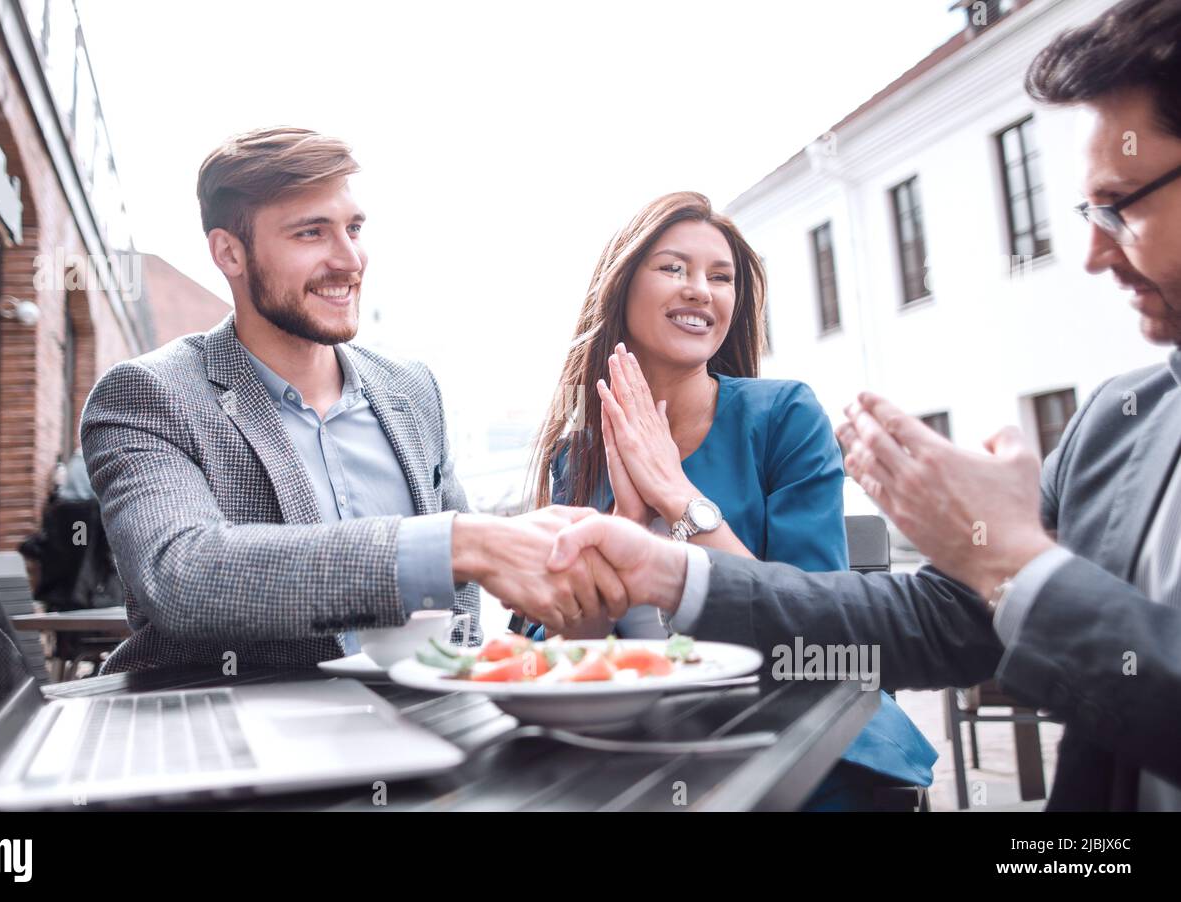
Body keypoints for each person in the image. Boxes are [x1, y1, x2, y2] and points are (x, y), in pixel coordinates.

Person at [540, 0, 1181, 811]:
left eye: (1121, 205)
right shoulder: (1112, 430)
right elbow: (944, 620)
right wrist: (657, 568)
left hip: (801, 752)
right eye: (1091, 213)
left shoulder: (780, 414)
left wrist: (682, 506)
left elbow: (844, 642)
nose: (1092, 252)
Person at [81, 127, 624, 673]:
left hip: (419, 725)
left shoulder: (413, 391)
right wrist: (454, 545)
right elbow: (182, 576)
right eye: (311, 233)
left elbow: (461, 611)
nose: (349, 260)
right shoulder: (149, 396)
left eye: (354, 228)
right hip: (224, 731)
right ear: (229, 253)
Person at [529, 191, 935, 808]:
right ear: (622, 287)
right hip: (636, 744)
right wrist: (624, 530)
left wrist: (677, 497)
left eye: (721, 278)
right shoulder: (578, 456)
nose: (701, 290)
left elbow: (815, 630)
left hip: (797, 737)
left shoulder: (785, 415)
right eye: (674, 268)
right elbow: (561, 650)